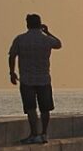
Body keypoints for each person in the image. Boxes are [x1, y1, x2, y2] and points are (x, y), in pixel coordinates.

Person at [8, 13, 63, 144]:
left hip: (27, 80)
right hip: (44, 79)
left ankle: (34, 134)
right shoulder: (46, 39)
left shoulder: (20, 39)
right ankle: (44, 133)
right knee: (45, 108)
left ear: (27, 24)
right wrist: (48, 32)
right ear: (40, 24)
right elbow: (59, 44)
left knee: (31, 108)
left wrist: (12, 72)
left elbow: (12, 56)